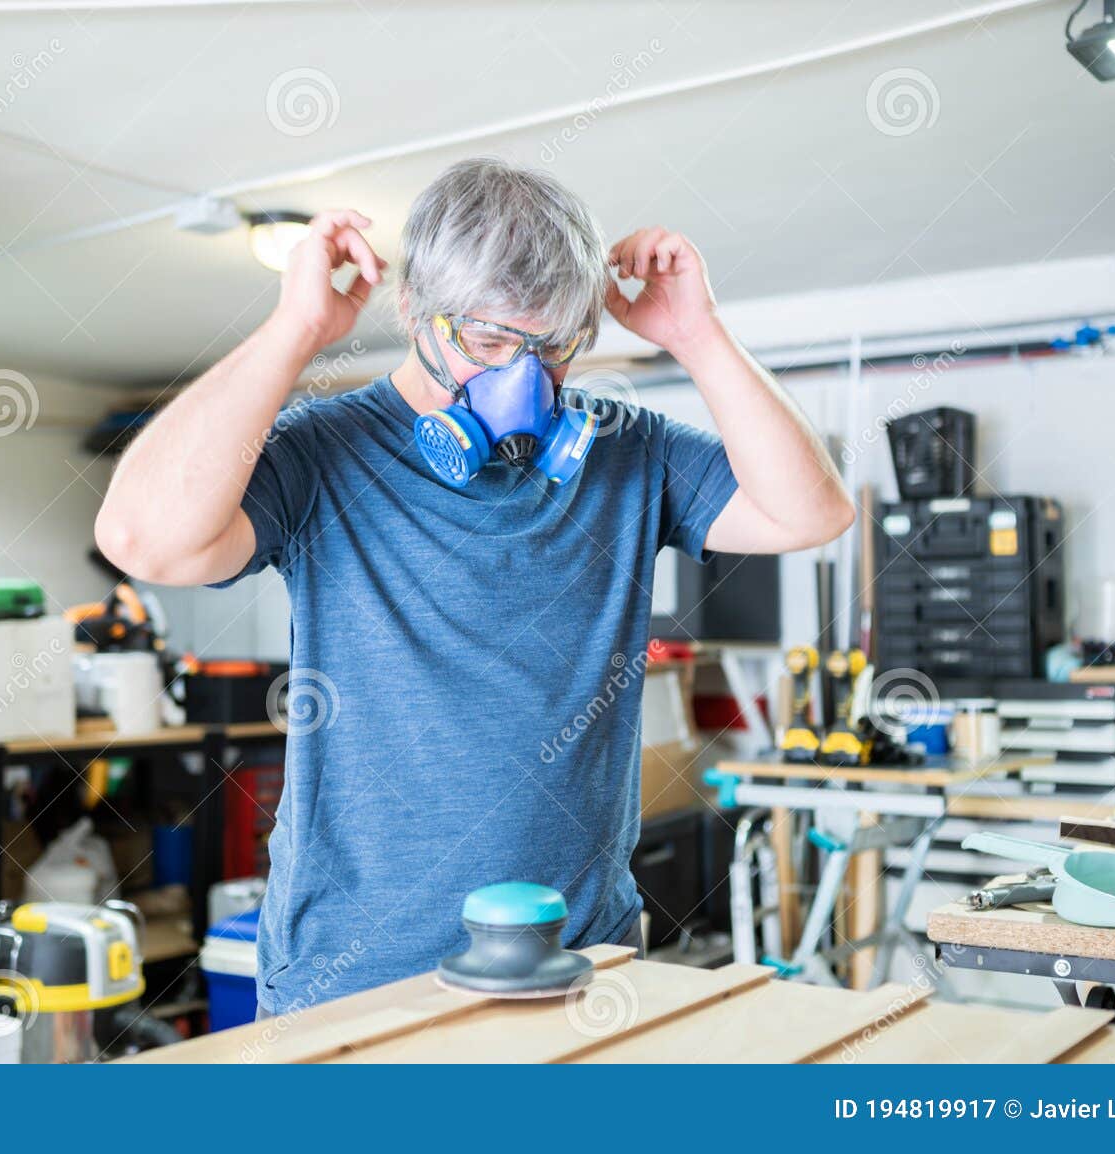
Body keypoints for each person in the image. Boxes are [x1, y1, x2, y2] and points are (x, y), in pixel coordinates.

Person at [96, 158, 854, 1018]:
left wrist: (700, 335)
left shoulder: (626, 450)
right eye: (488, 344)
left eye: (551, 347)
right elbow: (141, 539)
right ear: (413, 309)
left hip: (580, 969)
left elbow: (810, 514)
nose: (521, 381)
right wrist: (295, 329)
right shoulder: (323, 454)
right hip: (356, 980)